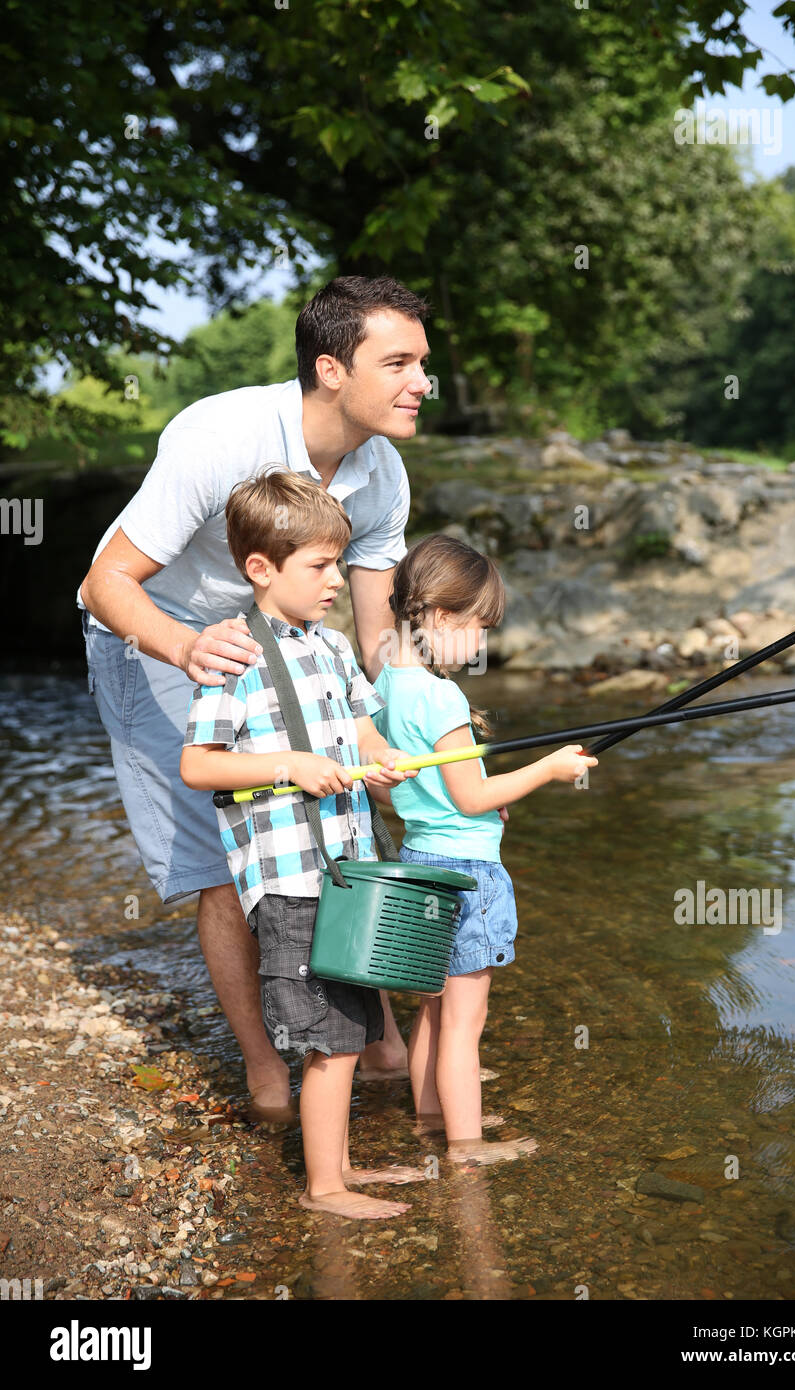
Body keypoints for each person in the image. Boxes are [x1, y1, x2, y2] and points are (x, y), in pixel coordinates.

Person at [77, 274, 462, 1120]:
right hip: (164, 631)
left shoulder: (383, 475)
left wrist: (418, 731)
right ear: (332, 369)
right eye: (398, 363)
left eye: (424, 364)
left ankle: (379, 1043)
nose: (422, 383)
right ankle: (265, 1075)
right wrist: (186, 646)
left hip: (293, 632)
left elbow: (375, 640)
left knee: (350, 819)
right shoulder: (222, 437)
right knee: (226, 861)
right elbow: (105, 581)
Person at [181, 470, 425, 1218]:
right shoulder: (235, 656)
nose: (334, 581)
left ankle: (343, 1166)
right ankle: (324, 1190)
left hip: (350, 876)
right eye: (318, 566)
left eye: (337, 564)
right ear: (261, 568)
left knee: (352, 1021)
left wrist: (392, 771)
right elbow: (199, 765)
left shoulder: (334, 650)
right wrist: (290, 766)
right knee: (331, 1041)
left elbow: (364, 736)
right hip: (289, 885)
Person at [371, 534, 599, 1166]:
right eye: (478, 628)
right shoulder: (442, 696)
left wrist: (484, 793)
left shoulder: (388, 681)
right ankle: (467, 1147)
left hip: (420, 861)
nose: (482, 644)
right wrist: (547, 770)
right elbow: (471, 798)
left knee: (432, 1014)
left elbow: (437, 789)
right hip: (466, 872)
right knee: (464, 1026)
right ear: (440, 617)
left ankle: (433, 1115)